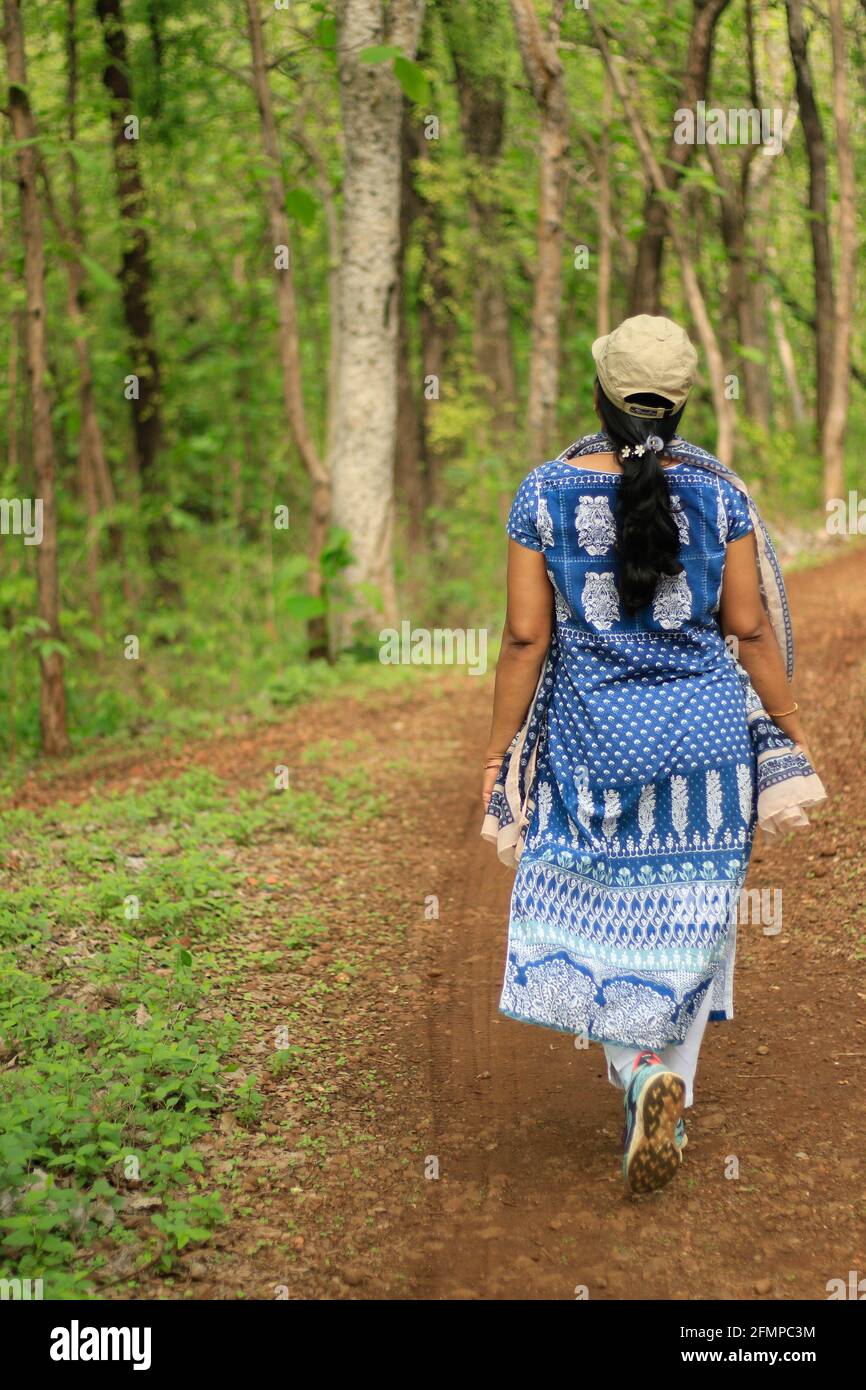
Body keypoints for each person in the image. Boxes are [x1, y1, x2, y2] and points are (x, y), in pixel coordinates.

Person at [481, 315, 816, 1195]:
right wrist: (785, 720)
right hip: (706, 744)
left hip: (594, 745)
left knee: (595, 918)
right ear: (683, 403)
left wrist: (498, 750)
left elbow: (524, 638)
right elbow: (747, 625)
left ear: (599, 395)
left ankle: (639, 1075)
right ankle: (674, 1084)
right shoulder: (721, 494)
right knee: (691, 917)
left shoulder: (541, 494)